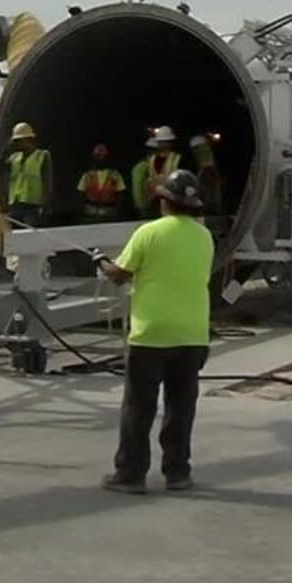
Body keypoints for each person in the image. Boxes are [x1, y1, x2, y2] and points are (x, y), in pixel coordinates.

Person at [94, 169, 214, 494]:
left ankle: (131, 474)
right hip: (193, 333)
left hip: (151, 334)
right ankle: (178, 473)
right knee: (181, 408)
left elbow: (119, 275)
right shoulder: (205, 237)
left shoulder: (148, 233)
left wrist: (100, 260)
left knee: (139, 407)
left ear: (164, 201)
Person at [0, 121, 52, 228]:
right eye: (15, 141)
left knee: (30, 233)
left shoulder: (42, 156)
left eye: (19, 141)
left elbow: (47, 182)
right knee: (15, 234)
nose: (17, 144)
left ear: (28, 139)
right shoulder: (14, 157)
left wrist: (45, 205)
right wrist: (6, 148)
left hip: (32, 206)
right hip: (16, 205)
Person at [130, 126, 181, 218]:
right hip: (155, 204)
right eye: (161, 141)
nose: (162, 143)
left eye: (165, 141)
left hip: (172, 203)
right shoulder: (151, 161)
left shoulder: (177, 158)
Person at [77, 144, 127, 223]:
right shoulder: (87, 175)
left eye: (103, 156)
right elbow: (80, 194)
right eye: (98, 156)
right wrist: (81, 212)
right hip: (91, 212)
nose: (101, 158)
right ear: (94, 158)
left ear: (107, 158)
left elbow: (121, 194)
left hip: (110, 212)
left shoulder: (115, 175)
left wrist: (118, 212)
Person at [189, 133, 224, 214]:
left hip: (211, 205)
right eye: (197, 148)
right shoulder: (193, 165)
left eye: (204, 147)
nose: (202, 150)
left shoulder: (209, 163)